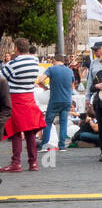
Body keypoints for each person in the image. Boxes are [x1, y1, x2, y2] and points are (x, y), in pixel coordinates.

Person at [1, 43, 45, 172]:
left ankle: (16, 163)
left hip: (15, 99)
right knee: (30, 132)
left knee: (15, 132)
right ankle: (33, 163)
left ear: (16, 49)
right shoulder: (34, 63)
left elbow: (1, 78)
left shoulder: (13, 64)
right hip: (29, 98)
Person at [37, 53, 75, 151]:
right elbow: (72, 86)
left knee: (48, 122)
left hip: (55, 100)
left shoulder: (51, 69)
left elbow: (40, 80)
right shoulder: (70, 71)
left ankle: (44, 145)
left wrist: (45, 88)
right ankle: (62, 146)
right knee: (63, 123)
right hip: (67, 100)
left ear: (54, 61)